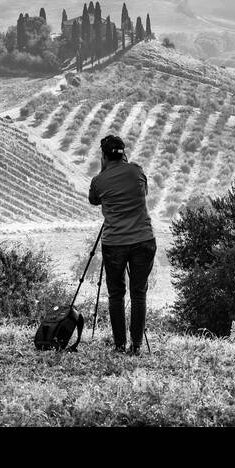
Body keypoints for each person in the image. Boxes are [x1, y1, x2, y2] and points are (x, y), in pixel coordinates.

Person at [88, 133, 155, 355]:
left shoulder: (99, 181)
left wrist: (104, 171)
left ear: (104, 156)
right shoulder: (136, 170)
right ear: (123, 153)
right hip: (143, 240)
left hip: (115, 242)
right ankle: (135, 346)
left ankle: (119, 345)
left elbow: (94, 200)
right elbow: (143, 192)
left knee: (116, 294)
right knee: (139, 293)